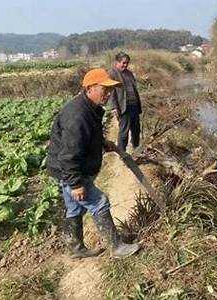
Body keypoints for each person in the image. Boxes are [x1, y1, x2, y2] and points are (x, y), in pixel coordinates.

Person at [47, 68, 140, 259]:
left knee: (75, 208)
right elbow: (68, 155)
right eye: (104, 89)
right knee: (99, 202)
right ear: (89, 88)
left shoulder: (91, 108)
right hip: (70, 170)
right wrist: (75, 183)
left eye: (110, 90)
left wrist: (104, 143)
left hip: (66, 169)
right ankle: (116, 248)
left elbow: (87, 137)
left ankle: (75, 248)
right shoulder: (78, 115)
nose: (108, 94)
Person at [108, 52, 142, 153]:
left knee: (136, 129)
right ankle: (122, 153)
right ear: (117, 62)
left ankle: (136, 148)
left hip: (134, 106)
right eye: (123, 63)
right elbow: (111, 91)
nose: (125, 65)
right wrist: (114, 107)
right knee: (124, 131)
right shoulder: (112, 74)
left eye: (127, 63)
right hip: (123, 107)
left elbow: (134, 88)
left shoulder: (129, 73)